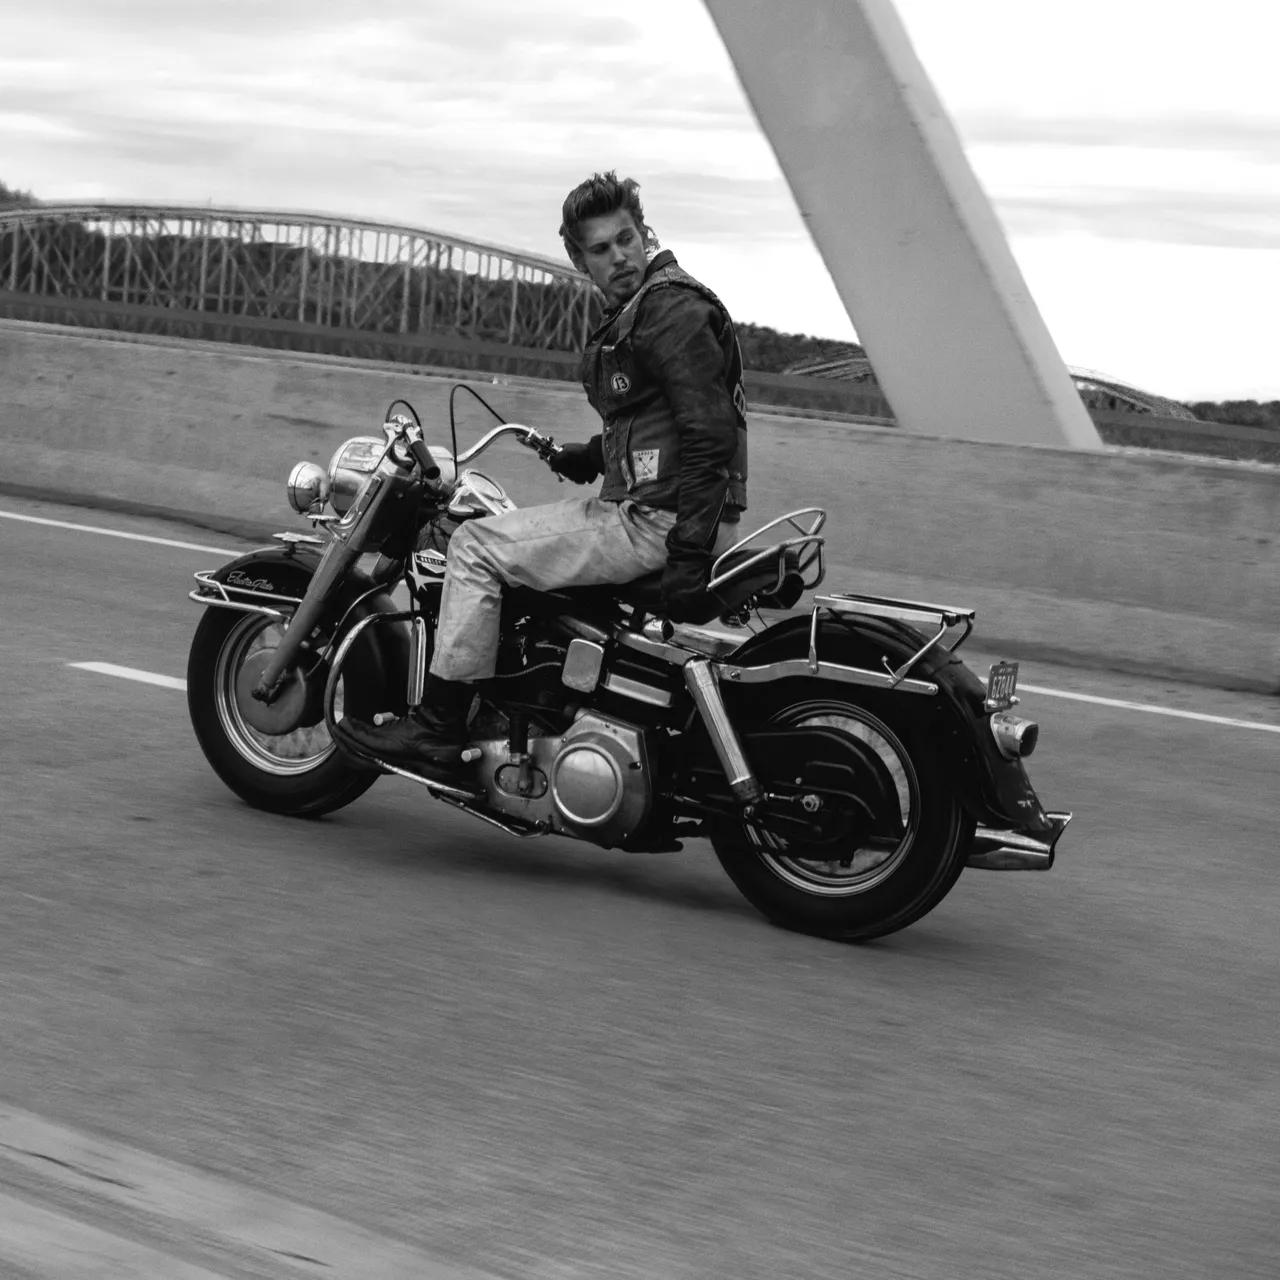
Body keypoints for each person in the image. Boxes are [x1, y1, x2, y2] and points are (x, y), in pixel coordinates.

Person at [336, 171, 749, 774]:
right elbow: (660, 425)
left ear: (644, 235)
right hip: (666, 511)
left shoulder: (669, 311)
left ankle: (439, 726)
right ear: (581, 261)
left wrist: (688, 550)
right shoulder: (652, 308)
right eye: (602, 249)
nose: (621, 257)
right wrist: (586, 456)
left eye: (627, 239)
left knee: (474, 545)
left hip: (660, 522)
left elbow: (708, 432)